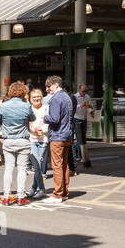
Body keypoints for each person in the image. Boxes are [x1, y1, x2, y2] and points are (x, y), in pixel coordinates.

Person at [0, 82, 34, 205]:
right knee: (22, 169)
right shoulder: (26, 106)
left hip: (8, 140)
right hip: (23, 140)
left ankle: (6, 197)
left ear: (10, 92)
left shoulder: (3, 106)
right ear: (24, 93)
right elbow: (32, 118)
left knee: (8, 168)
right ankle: (20, 197)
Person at [42, 75, 74, 204]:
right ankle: (65, 192)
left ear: (56, 84)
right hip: (67, 135)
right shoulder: (67, 97)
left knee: (56, 166)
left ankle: (57, 194)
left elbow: (54, 119)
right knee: (65, 165)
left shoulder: (55, 99)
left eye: (49, 86)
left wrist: (45, 117)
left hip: (57, 136)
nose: (47, 89)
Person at [27, 87, 49, 199]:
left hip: (43, 139)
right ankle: (38, 189)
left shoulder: (46, 108)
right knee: (37, 166)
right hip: (33, 139)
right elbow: (27, 123)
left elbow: (48, 123)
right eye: (34, 97)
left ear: (41, 97)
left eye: (38, 96)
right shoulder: (29, 109)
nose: (36, 98)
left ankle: (37, 189)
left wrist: (43, 130)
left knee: (38, 166)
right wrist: (33, 130)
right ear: (31, 99)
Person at [73, 83, 92, 166]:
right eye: (83, 91)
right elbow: (72, 107)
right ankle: (81, 156)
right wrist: (81, 105)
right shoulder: (75, 97)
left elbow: (91, 106)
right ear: (79, 90)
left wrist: (91, 109)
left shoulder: (87, 97)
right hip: (76, 119)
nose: (84, 93)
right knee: (80, 138)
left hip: (84, 119)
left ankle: (76, 150)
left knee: (83, 138)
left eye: (86, 91)